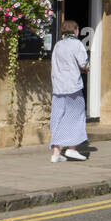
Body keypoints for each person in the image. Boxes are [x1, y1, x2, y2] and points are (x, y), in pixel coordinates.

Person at [49, 20, 89, 163]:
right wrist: (87, 68)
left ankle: (56, 152)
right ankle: (71, 149)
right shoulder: (77, 44)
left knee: (57, 117)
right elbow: (83, 63)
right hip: (72, 87)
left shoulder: (58, 45)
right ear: (76, 30)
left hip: (58, 87)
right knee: (76, 116)